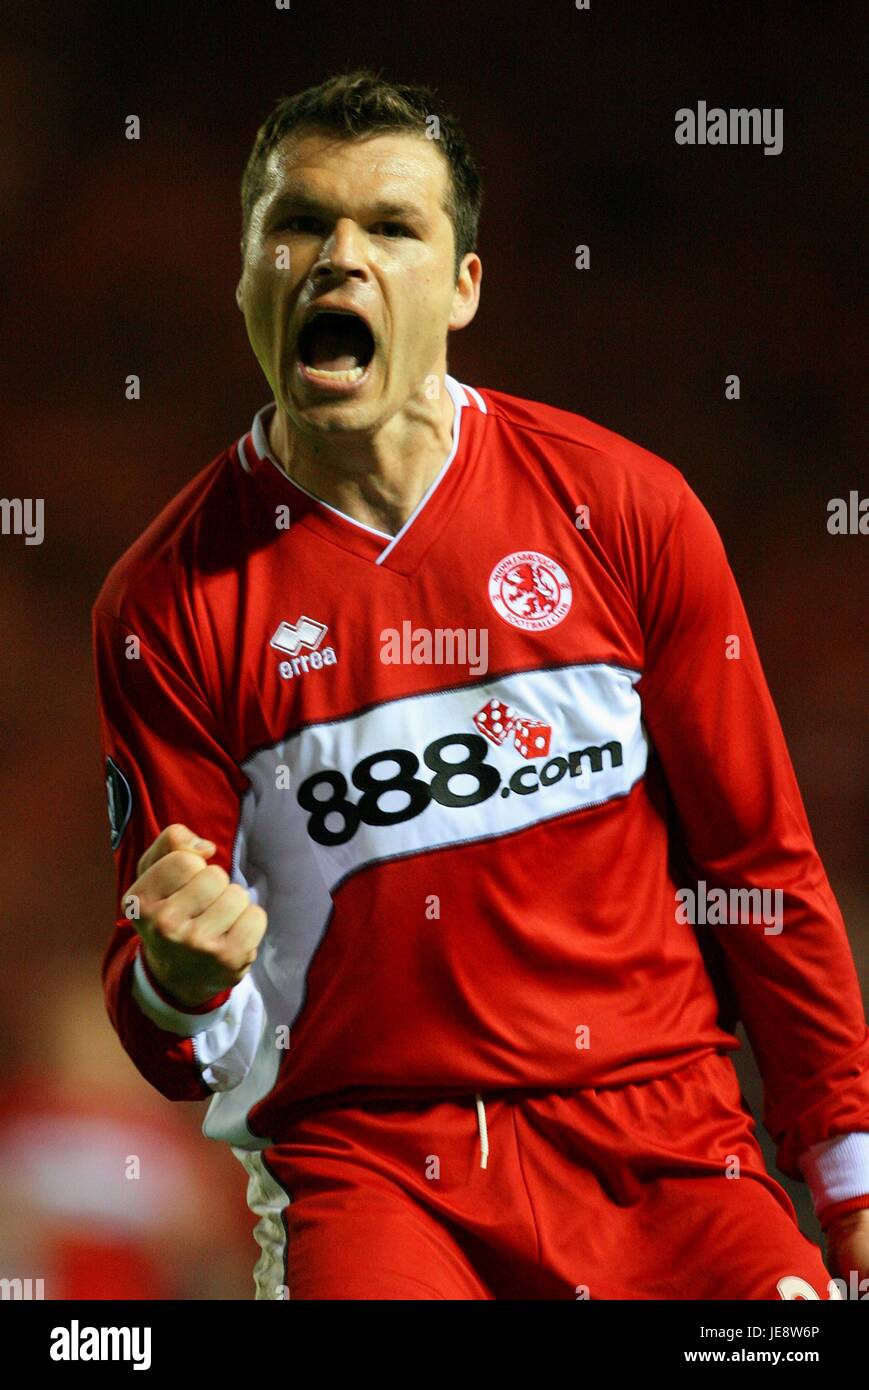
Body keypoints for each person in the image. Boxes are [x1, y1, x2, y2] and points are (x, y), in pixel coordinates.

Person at [92, 68, 869, 1300]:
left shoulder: (622, 509)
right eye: (296, 224)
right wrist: (170, 985)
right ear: (244, 275)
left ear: (460, 289)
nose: (336, 259)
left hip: (664, 1152)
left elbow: (757, 870)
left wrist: (847, 1178)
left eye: (391, 228)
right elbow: (184, 1032)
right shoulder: (165, 606)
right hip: (371, 1171)